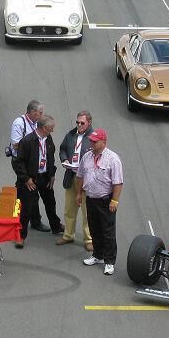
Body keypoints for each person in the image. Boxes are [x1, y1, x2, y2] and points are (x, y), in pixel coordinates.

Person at [76, 128, 123, 276]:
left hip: (105, 200)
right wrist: (79, 193)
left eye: (95, 141)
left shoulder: (113, 159)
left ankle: (109, 261)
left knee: (107, 232)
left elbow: (118, 182)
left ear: (104, 142)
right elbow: (80, 175)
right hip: (90, 198)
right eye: (91, 141)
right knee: (94, 228)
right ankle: (98, 255)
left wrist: (114, 200)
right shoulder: (87, 156)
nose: (92, 143)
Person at [12, 114, 61, 248]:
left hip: (44, 176)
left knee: (50, 202)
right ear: (44, 128)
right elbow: (18, 162)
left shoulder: (48, 138)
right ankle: (20, 236)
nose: (53, 130)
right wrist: (26, 179)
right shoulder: (27, 141)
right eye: (51, 128)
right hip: (30, 179)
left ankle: (56, 226)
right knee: (26, 208)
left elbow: (50, 156)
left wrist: (52, 174)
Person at [57, 110, 94, 250]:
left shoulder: (93, 137)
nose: (79, 125)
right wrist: (64, 159)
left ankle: (89, 239)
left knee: (87, 212)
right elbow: (62, 149)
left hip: (86, 180)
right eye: (77, 122)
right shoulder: (70, 134)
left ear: (89, 123)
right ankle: (68, 235)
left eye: (82, 123)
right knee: (69, 209)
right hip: (71, 176)